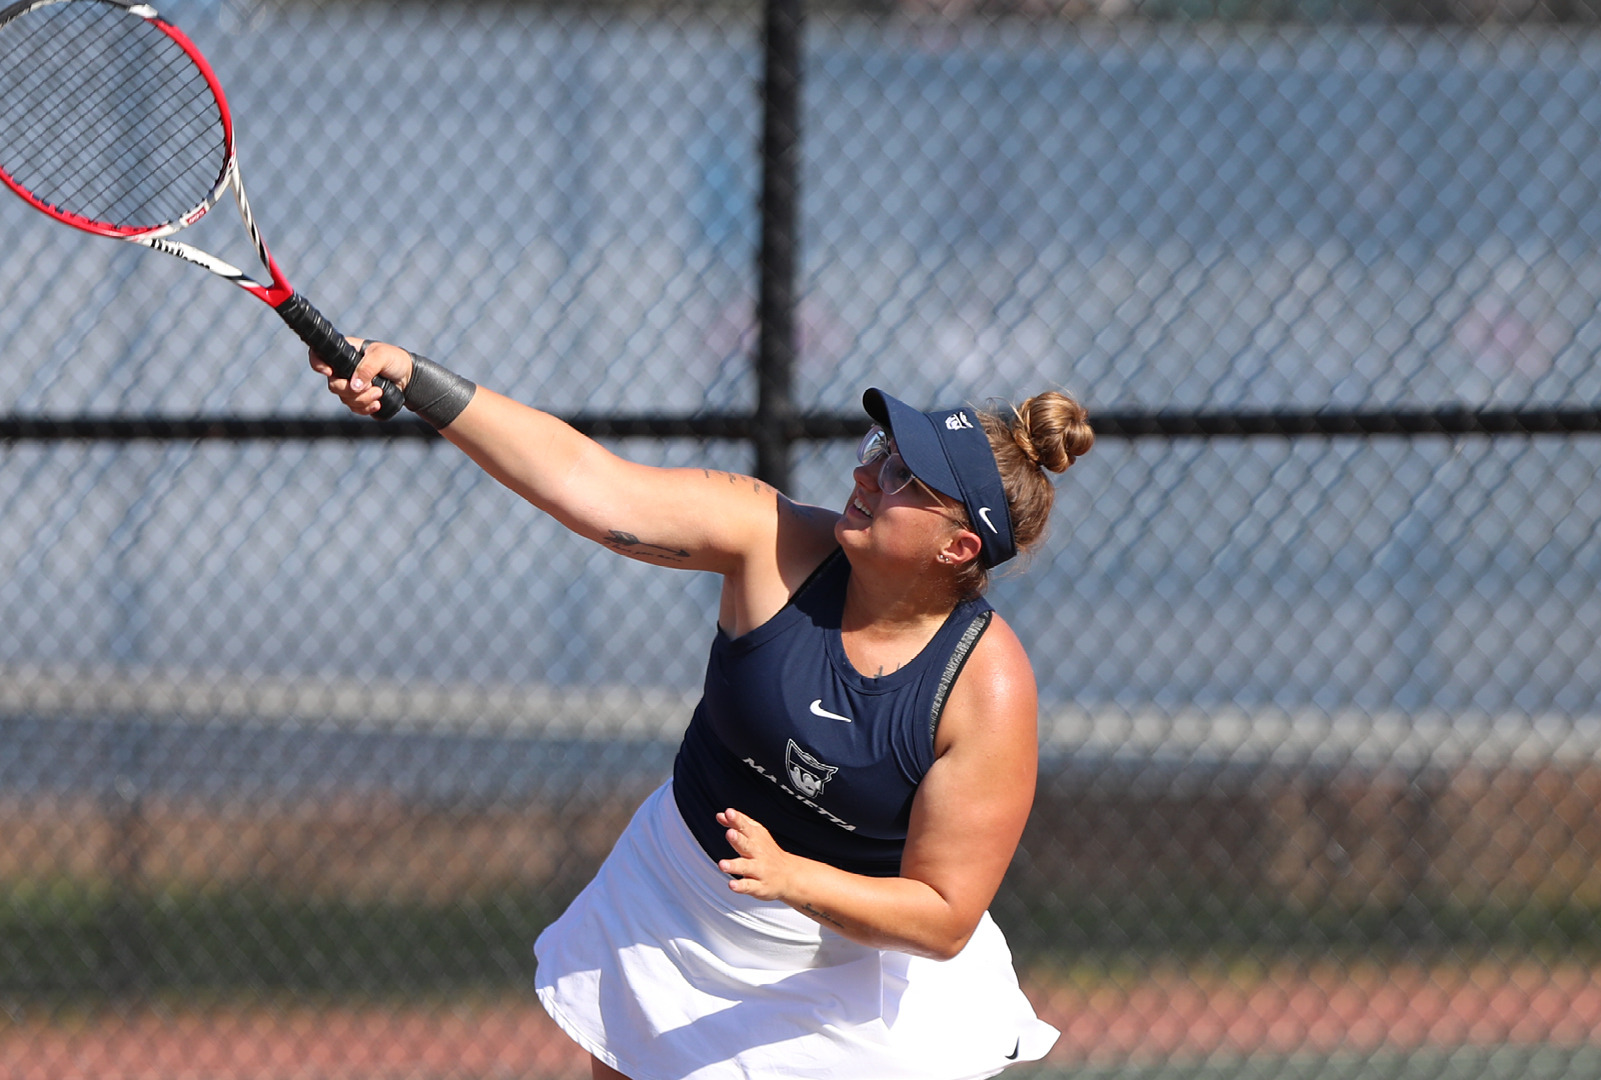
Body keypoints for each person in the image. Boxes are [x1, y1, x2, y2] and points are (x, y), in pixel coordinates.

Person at [311, 341, 1093, 1080]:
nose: (868, 475)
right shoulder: (771, 539)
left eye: (902, 479)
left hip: (853, 966)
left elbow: (944, 915)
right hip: (675, 903)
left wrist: (794, 878)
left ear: (957, 546)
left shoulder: (984, 687)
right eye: (881, 452)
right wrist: (418, 379)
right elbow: (592, 483)